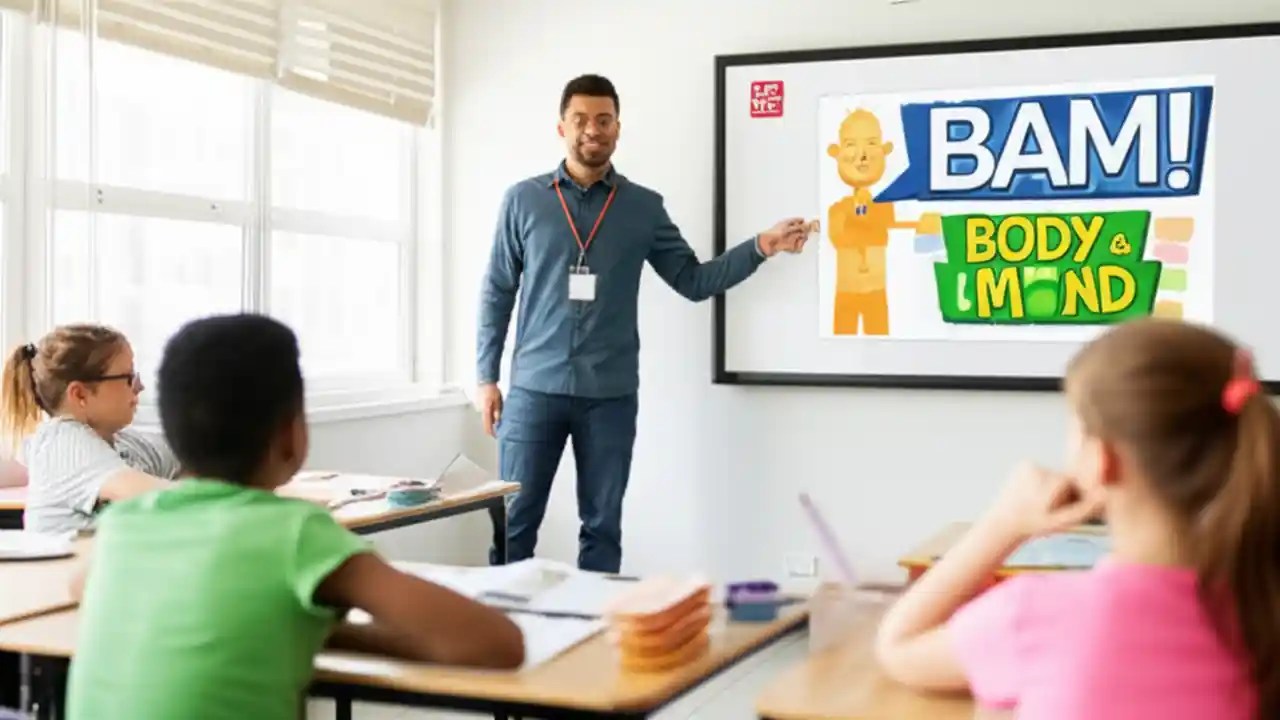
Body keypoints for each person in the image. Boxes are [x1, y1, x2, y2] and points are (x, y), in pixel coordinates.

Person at [65, 314, 524, 720]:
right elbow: (496, 643)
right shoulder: (296, 533)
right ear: (291, 436)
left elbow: (79, 586)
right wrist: (329, 636)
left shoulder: (124, 526)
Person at [475, 73, 810, 573]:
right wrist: (486, 377)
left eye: (604, 120)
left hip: (608, 396)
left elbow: (694, 280)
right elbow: (498, 289)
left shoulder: (642, 207)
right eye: (581, 120)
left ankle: (595, 638)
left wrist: (762, 246)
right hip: (532, 392)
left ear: (617, 128)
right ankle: (502, 638)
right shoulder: (523, 200)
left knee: (603, 527)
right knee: (514, 524)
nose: (593, 129)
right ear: (561, 127)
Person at [874, 317, 1276, 720]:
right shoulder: (1262, 610)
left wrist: (1004, 522)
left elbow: (898, 646)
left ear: (1103, 460)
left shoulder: (1038, 614)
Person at [0, 324, 180, 534]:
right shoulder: (62, 444)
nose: (139, 387)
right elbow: (158, 496)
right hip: (69, 567)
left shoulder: (121, 444)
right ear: (80, 394)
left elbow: (193, 454)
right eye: (127, 378)